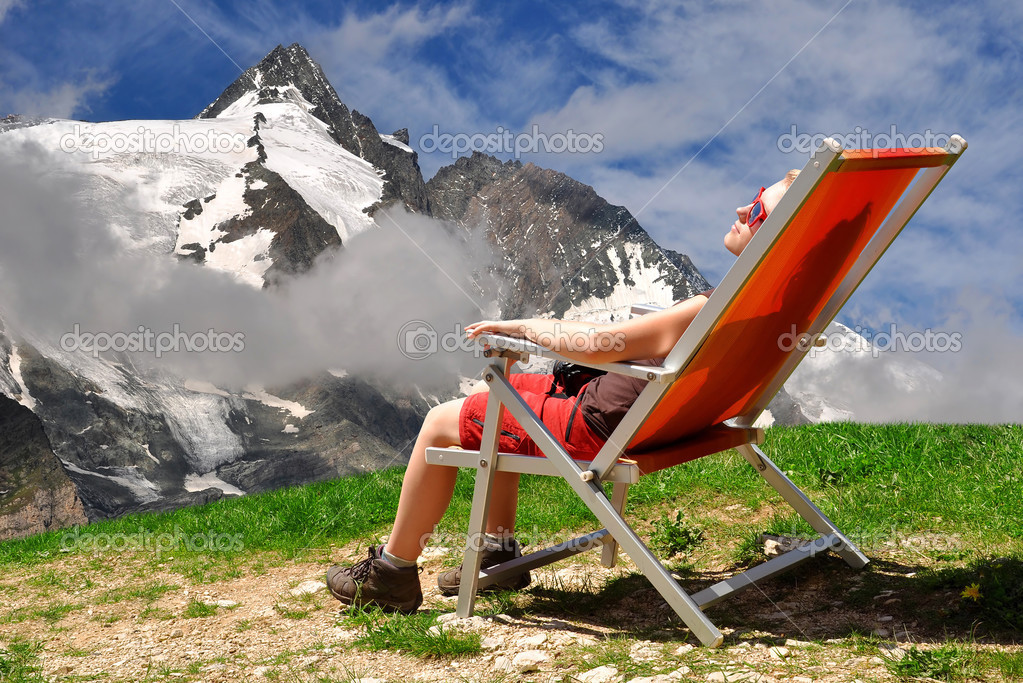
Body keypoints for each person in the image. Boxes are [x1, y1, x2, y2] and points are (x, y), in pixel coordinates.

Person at [326, 170, 800, 613]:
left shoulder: (706, 308)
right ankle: (496, 553)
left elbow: (599, 344)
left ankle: (392, 575)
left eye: (758, 209)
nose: (742, 209)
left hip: (598, 429)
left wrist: (522, 328)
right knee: (501, 395)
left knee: (440, 424)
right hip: (656, 423)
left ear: (773, 237)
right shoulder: (768, 312)